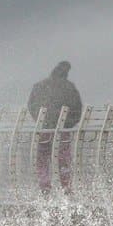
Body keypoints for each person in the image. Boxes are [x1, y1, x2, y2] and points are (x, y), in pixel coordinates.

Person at [27, 60, 82, 194]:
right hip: (62, 130)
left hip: (44, 128)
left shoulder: (40, 86)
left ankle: (44, 186)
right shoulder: (69, 87)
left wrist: (40, 120)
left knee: (42, 157)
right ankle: (66, 186)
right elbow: (77, 108)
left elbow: (31, 105)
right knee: (63, 158)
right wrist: (68, 124)